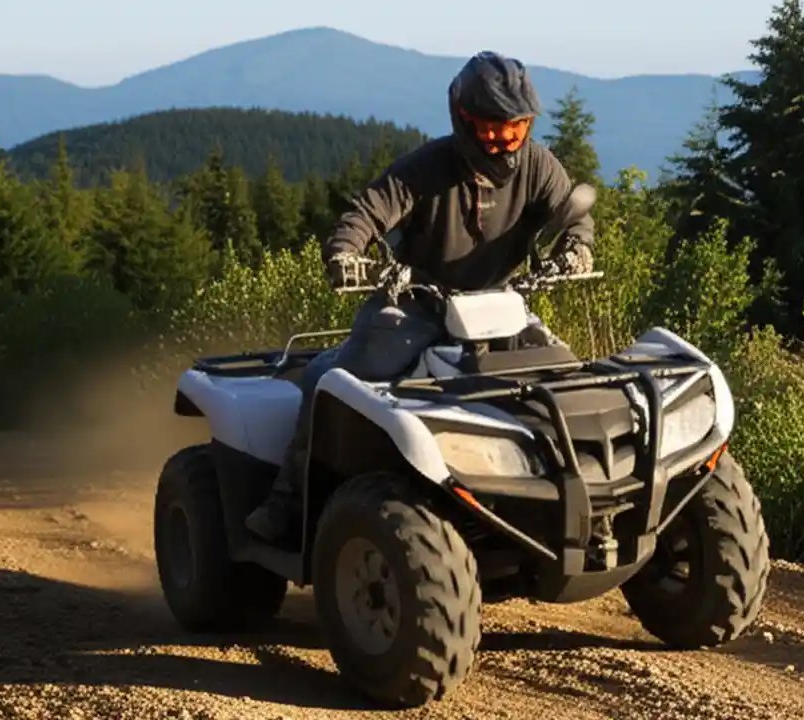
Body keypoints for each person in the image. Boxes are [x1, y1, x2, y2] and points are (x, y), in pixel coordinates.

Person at [244, 50, 595, 544]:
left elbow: (575, 216)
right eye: (492, 127)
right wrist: (346, 253)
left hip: (498, 309)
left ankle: (564, 502)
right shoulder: (425, 168)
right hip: (417, 305)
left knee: (564, 376)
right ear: (464, 118)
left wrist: (576, 248)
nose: (504, 138)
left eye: (515, 127)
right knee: (336, 383)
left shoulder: (539, 166)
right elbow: (365, 213)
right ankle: (287, 504)